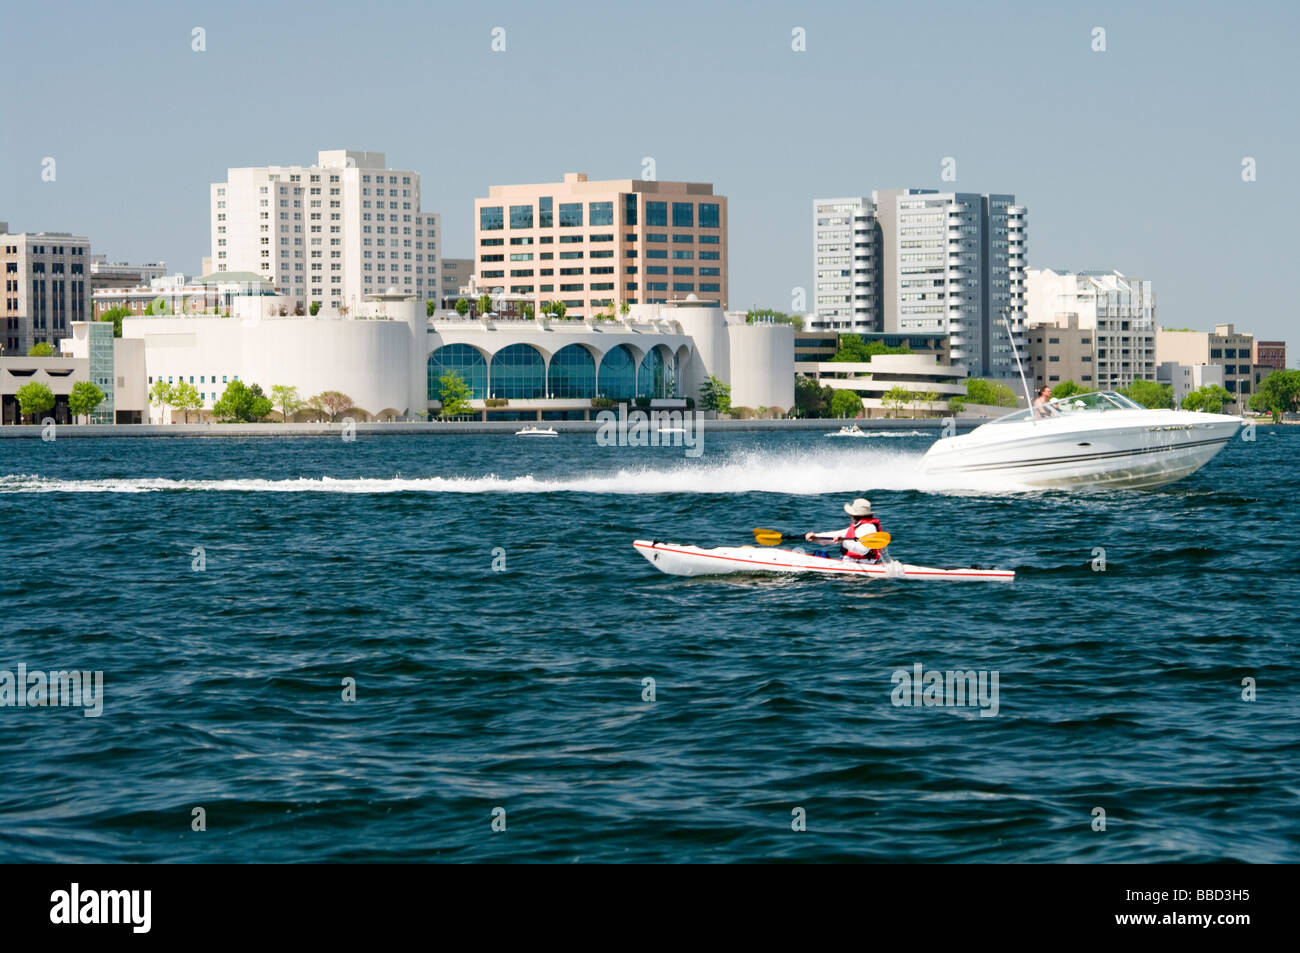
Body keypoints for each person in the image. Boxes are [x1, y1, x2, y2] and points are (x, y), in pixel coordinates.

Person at [805, 498, 885, 563]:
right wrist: (815, 537)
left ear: (853, 515)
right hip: (852, 562)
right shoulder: (857, 526)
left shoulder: (869, 528)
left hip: (863, 564)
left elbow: (863, 550)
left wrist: (843, 541)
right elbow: (836, 534)